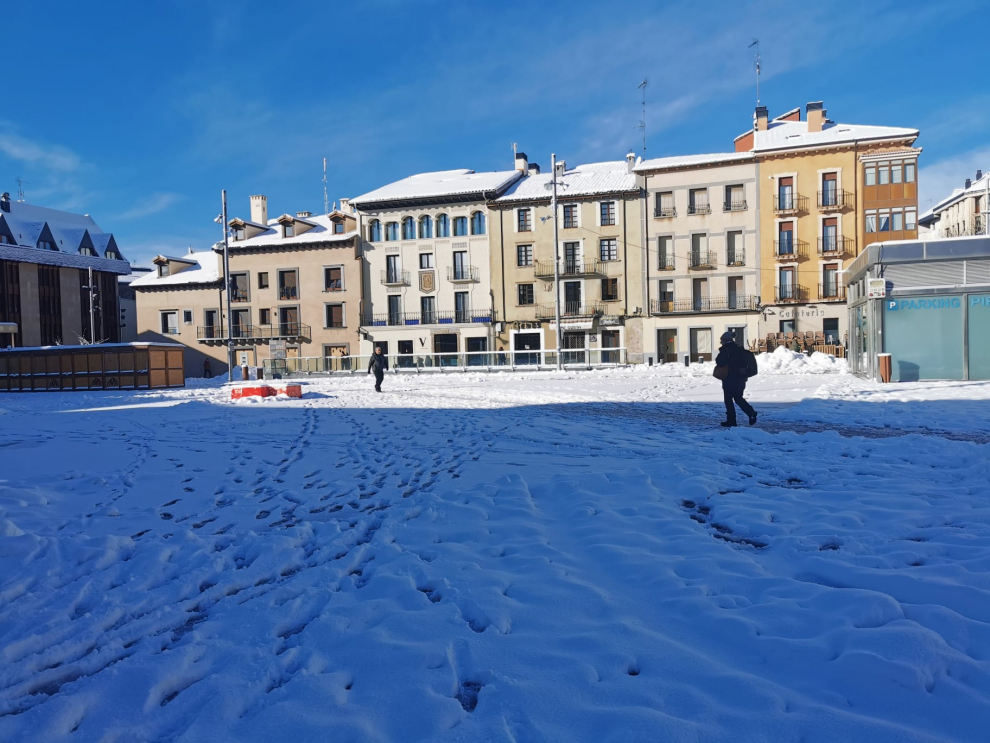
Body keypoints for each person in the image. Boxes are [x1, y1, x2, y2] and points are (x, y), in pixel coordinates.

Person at [714, 331, 757, 428]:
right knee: (738, 398)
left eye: (721, 341)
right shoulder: (740, 350)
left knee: (728, 400)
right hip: (741, 378)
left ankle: (731, 421)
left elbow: (720, 362)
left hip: (729, 378)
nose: (721, 343)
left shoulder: (726, 350)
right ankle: (751, 412)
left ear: (725, 340)